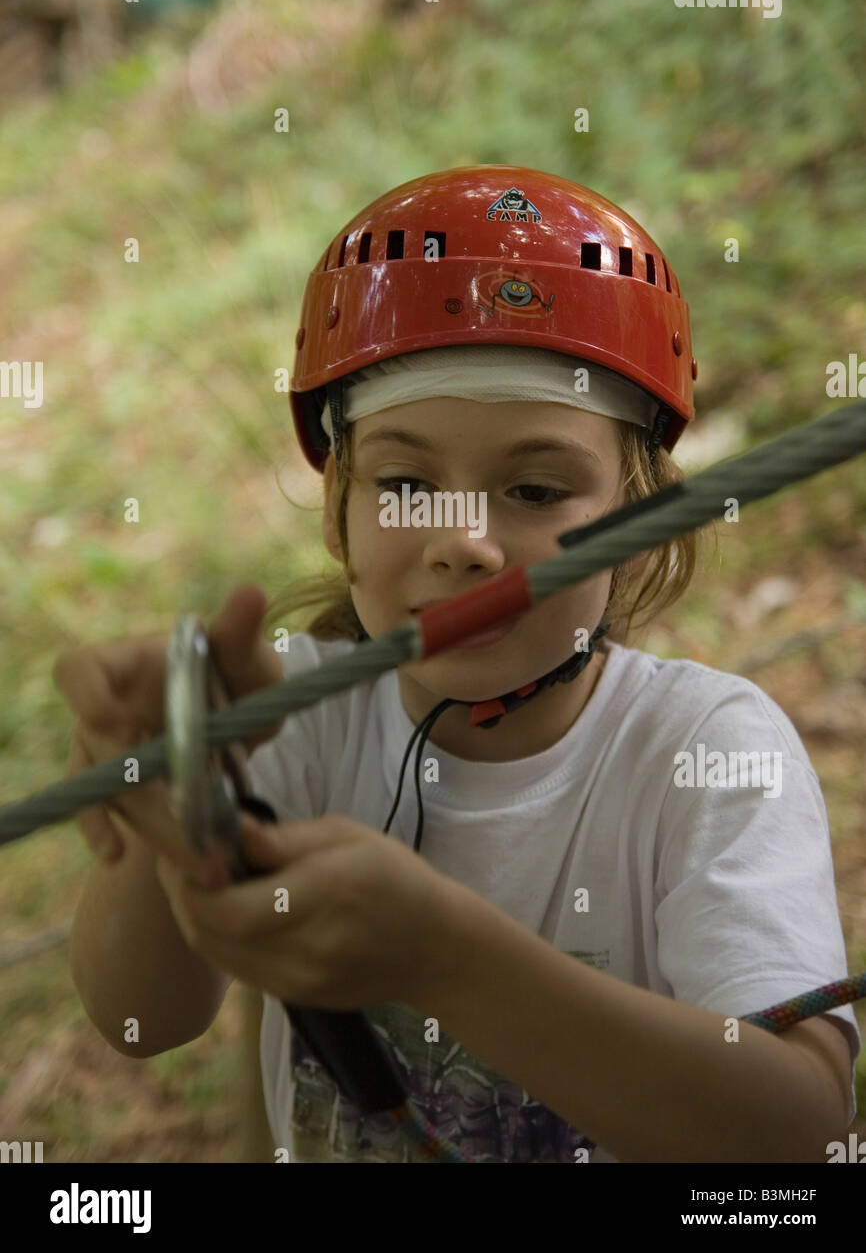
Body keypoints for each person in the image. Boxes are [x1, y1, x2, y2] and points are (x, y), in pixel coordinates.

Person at [60, 166, 859, 1164]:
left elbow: (795, 1135)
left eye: (533, 488)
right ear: (338, 516)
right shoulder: (289, 719)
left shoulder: (701, 752)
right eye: (403, 482)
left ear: (646, 528)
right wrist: (179, 801)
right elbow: (139, 1019)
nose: (463, 541)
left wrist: (445, 956)